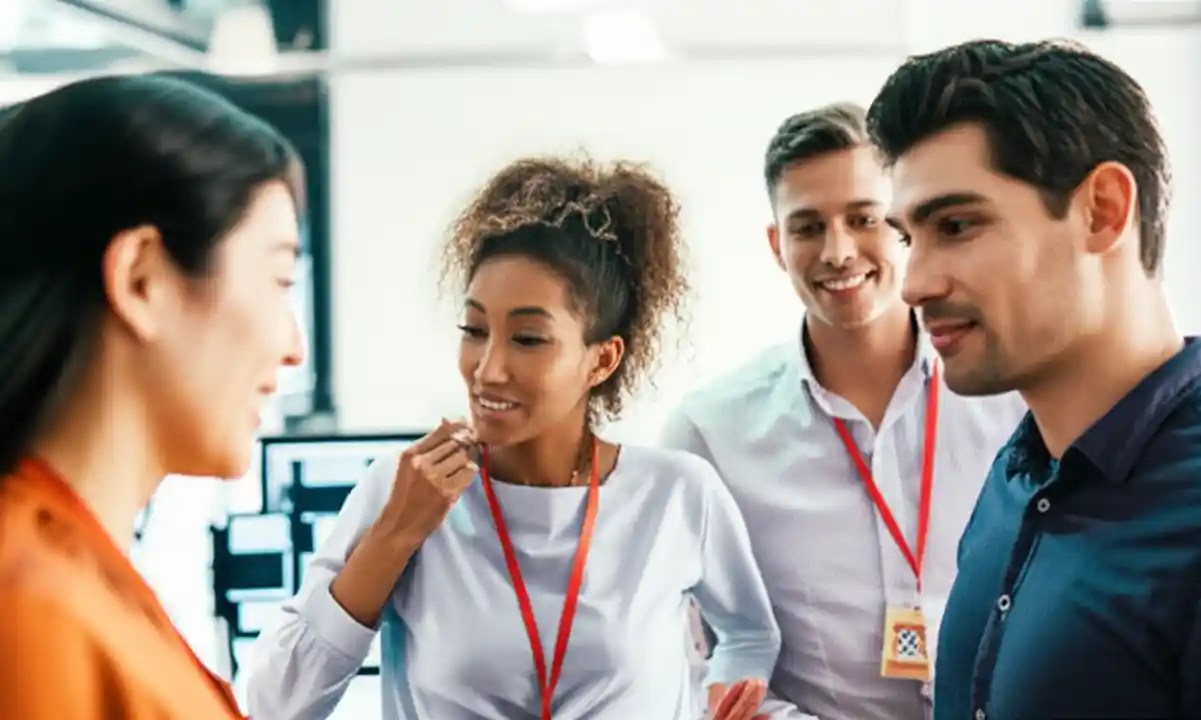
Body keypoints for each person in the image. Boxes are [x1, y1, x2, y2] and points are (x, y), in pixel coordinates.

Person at [247, 155, 781, 720]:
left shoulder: (677, 494)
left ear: (602, 359)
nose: (488, 369)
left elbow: (749, 633)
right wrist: (397, 533)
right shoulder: (403, 489)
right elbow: (277, 705)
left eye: (528, 339)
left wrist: (723, 697)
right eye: (475, 331)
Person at [866, 37, 1201, 719]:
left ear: (1103, 210)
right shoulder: (1018, 472)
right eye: (911, 237)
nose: (914, 284)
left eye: (958, 224)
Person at [660, 103, 1025, 720]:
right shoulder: (710, 433)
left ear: (904, 225)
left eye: (863, 219)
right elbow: (685, 655)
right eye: (807, 227)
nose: (837, 251)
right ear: (777, 245)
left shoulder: (1011, 396)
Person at [0, 74, 306, 718]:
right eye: (279, 280)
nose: (293, 345)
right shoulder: (31, 611)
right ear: (142, 280)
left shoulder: (83, 580)